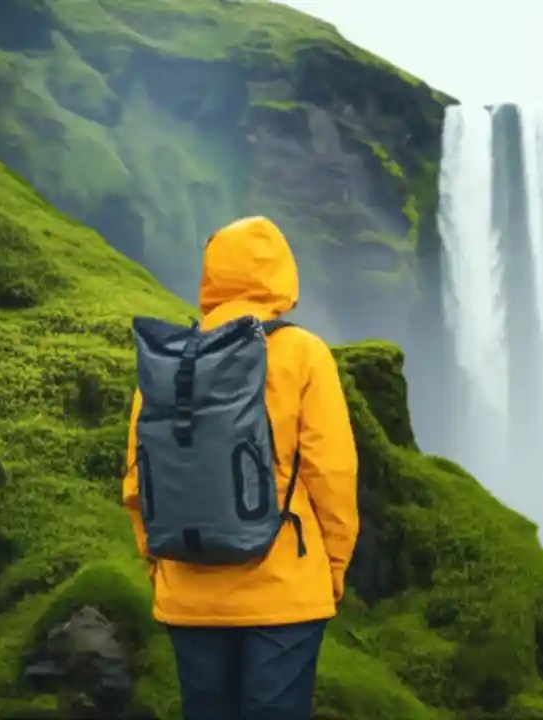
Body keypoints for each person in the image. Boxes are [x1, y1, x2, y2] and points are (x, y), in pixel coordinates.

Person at [121, 216, 359, 720]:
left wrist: (159, 566)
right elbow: (331, 474)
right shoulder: (303, 353)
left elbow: (139, 478)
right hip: (283, 588)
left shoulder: (173, 360)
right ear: (281, 273)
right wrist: (329, 572)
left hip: (188, 587)